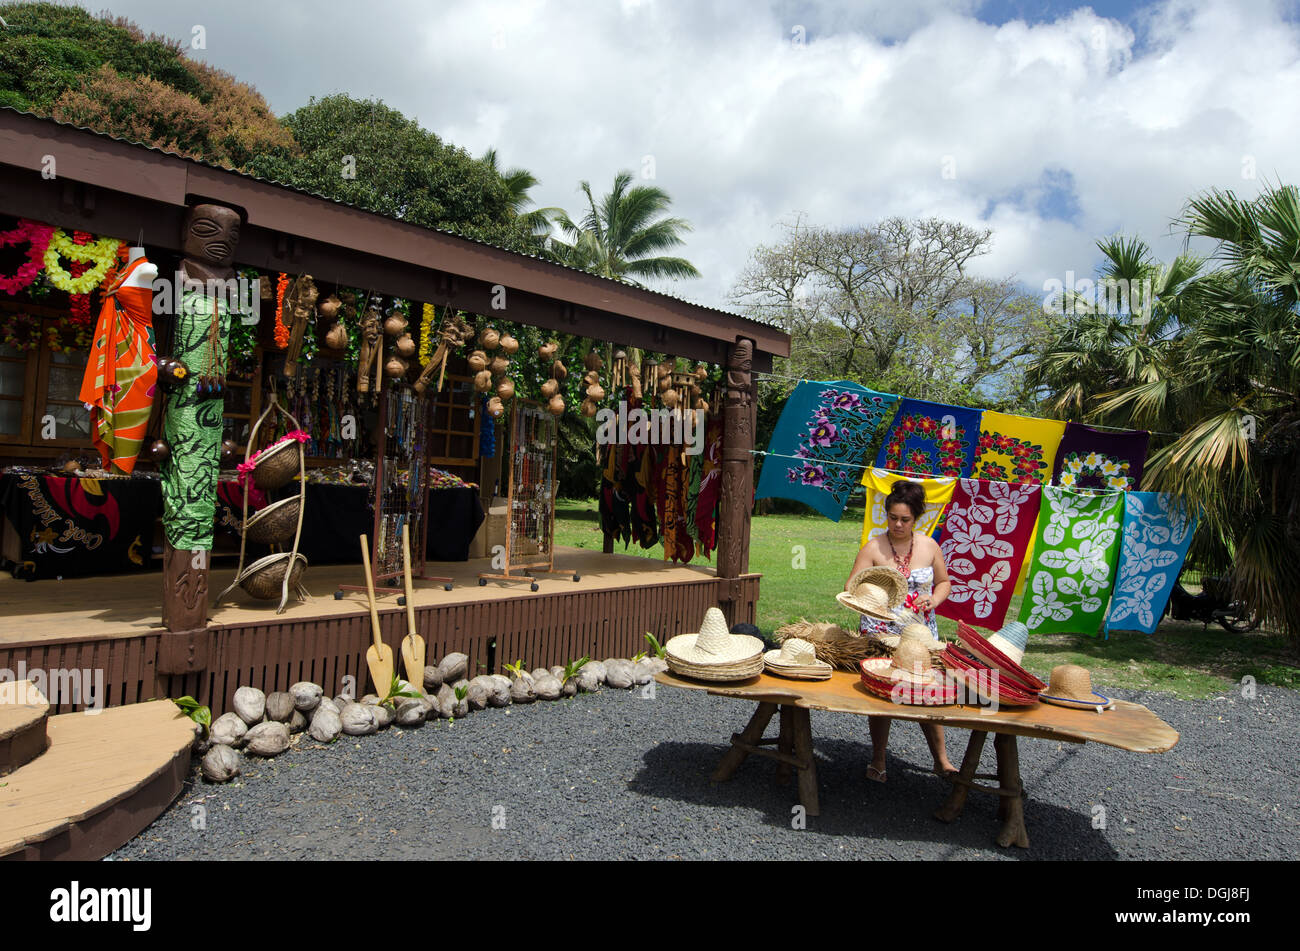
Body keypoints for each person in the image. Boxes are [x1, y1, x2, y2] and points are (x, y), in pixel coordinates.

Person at [845, 479, 956, 782]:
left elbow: (944, 582)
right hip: (880, 631)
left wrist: (933, 598)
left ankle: (941, 760)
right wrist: (876, 599)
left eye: (904, 519)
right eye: (892, 517)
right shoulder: (874, 547)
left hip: (919, 631)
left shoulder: (930, 545)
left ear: (917, 518)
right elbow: (850, 586)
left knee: (927, 690)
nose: (897, 524)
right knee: (883, 694)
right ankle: (879, 758)